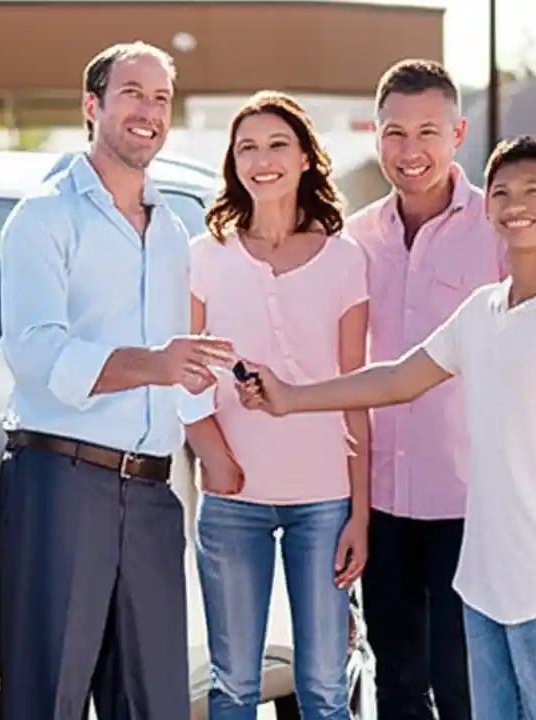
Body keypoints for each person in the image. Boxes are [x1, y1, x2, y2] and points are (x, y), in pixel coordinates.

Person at [240, 135, 536, 720]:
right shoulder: (481, 312)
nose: (515, 205)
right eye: (501, 193)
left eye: (534, 192)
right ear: (487, 206)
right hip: (482, 590)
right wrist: (291, 398)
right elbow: (397, 379)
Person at [0, 41, 236, 719]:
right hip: (63, 484)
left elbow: (179, 365)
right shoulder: (44, 217)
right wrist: (153, 363)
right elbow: (34, 352)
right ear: (91, 105)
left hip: (155, 493)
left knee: (156, 703)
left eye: (161, 98)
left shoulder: (173, 229)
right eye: (133, 93)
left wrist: (212, 437)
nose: (149, 112)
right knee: (48, 698)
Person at [182, 90, 370, 720]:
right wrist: (214, 456)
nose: (262, 160)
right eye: (247, 148)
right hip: (233, 497)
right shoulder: (205, 257)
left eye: (277, 145)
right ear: (233, 163)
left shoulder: (345, 259)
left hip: (325, 498)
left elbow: (358, 390)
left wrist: (360, 514)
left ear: (306, 158)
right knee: (233, 685)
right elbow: (185, 377)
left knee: (323, 689)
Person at [343, 59, 507, 720]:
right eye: (395, 133)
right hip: (382, 500)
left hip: (471, 502)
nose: (410, 151)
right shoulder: (356, 238)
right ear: (377, 134)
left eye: (428, 132)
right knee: (396, 679)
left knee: (462, 681)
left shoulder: (500, 229)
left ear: (459, 134)